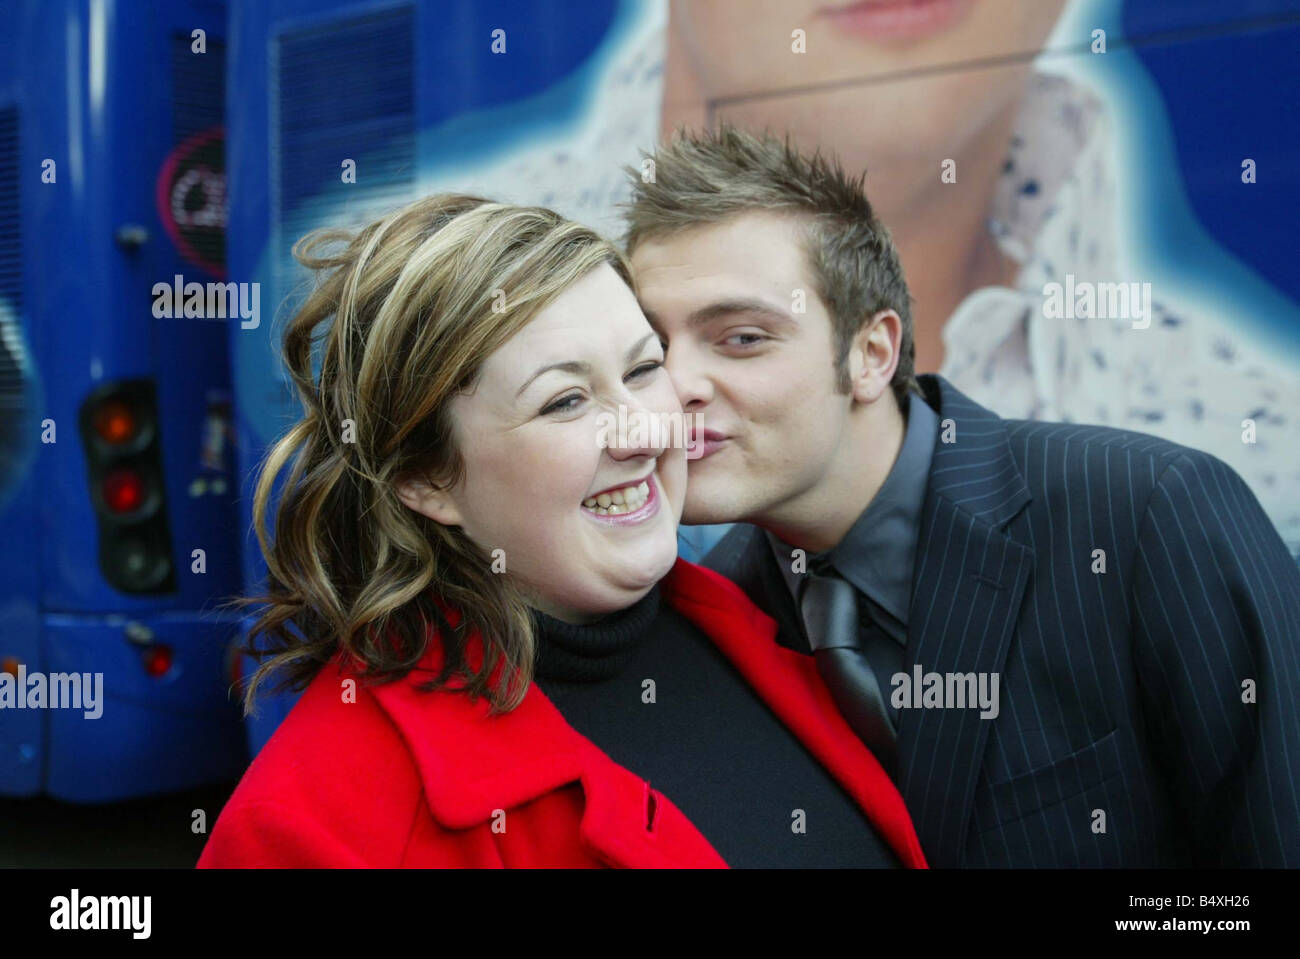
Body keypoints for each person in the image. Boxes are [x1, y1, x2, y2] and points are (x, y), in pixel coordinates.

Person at [622, 124, 1300, 868]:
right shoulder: (710, 611)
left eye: (742, 337)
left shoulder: (1149, 514)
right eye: (650, 351)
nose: (675, 385)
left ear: (872, 353)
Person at [197, 193, 926, 869]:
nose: (644, 431)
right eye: (566, 400)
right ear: (425, 480)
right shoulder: (317, 824)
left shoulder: (767, 615)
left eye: (644, 369)